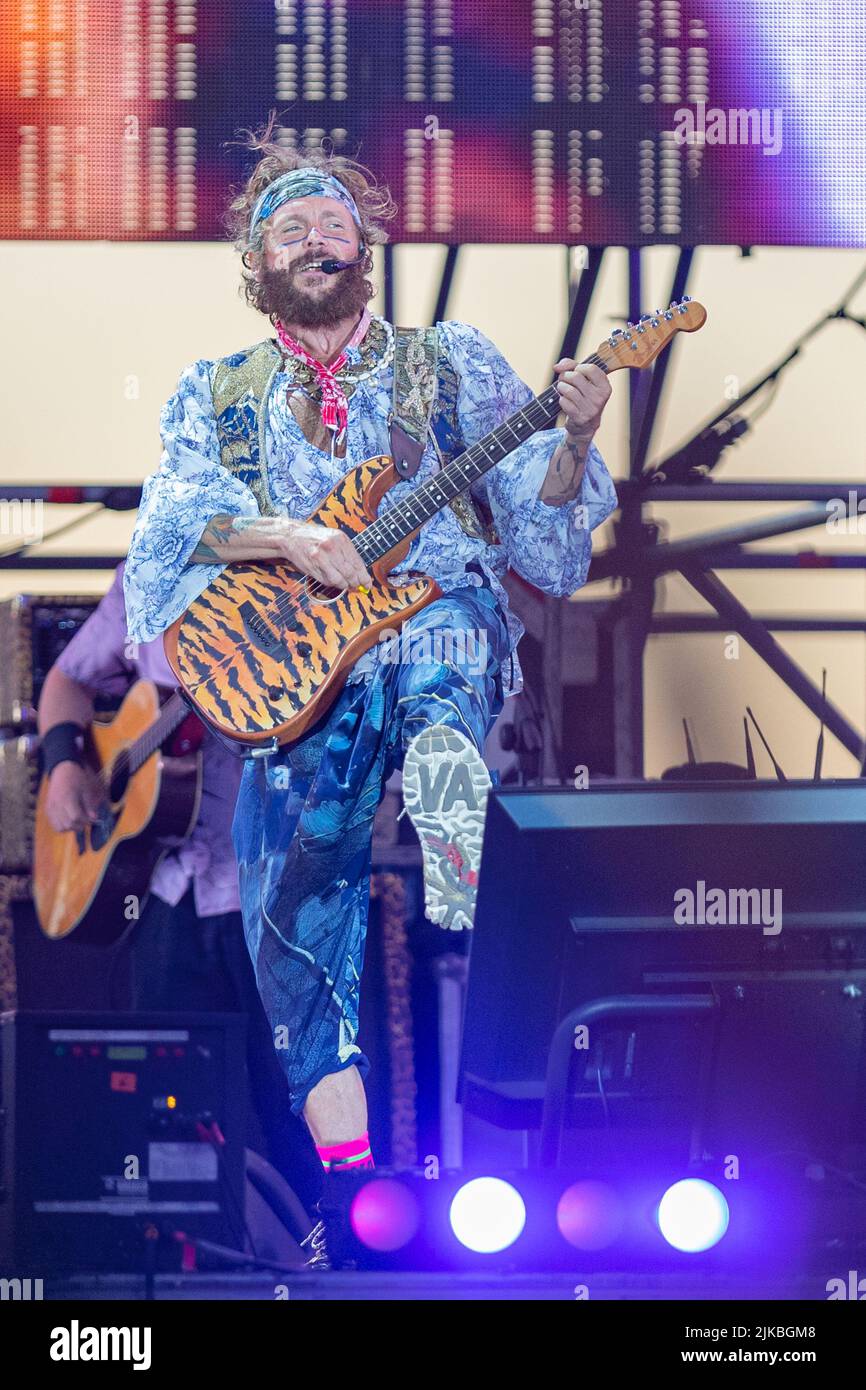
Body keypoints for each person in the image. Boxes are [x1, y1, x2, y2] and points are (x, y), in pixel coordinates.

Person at [123, 125, 618, 1216]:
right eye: (287, 227)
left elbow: (547, 548)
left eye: (333, 225)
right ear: (254, 266)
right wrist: (286, 540)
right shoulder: (217, 393)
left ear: (366, 253)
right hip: (293, 669)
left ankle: (450, 812)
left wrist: (576, 440)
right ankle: (355, 1191)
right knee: (289, 909)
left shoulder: (450, 365)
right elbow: (164, 536)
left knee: (433, 667)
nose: (314, 239)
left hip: (427, 614)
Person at [37, 561, 321, 1211]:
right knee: (169, 1106)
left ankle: (331, 1260)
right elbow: (67, 680)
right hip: (173, 892)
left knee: (299, 1102)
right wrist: (62, 766)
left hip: (280, 887)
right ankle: (191, 1263)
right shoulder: (146, 573)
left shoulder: (295, 568)